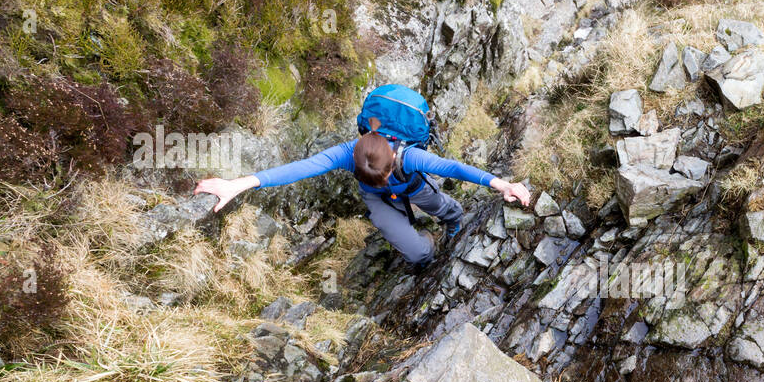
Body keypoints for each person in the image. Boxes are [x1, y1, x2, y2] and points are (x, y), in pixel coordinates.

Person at [194, 128, 530, 267]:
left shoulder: (411, 157)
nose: (381, 177)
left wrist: (501, 184)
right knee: (416, 254)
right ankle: (427, 241)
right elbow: (300, 168)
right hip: (376, 200)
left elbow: (455, 168)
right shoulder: (344, 154)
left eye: (383, 173)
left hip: (411, 186)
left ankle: (452, 219)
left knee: (440, 206)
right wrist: (239, 184)